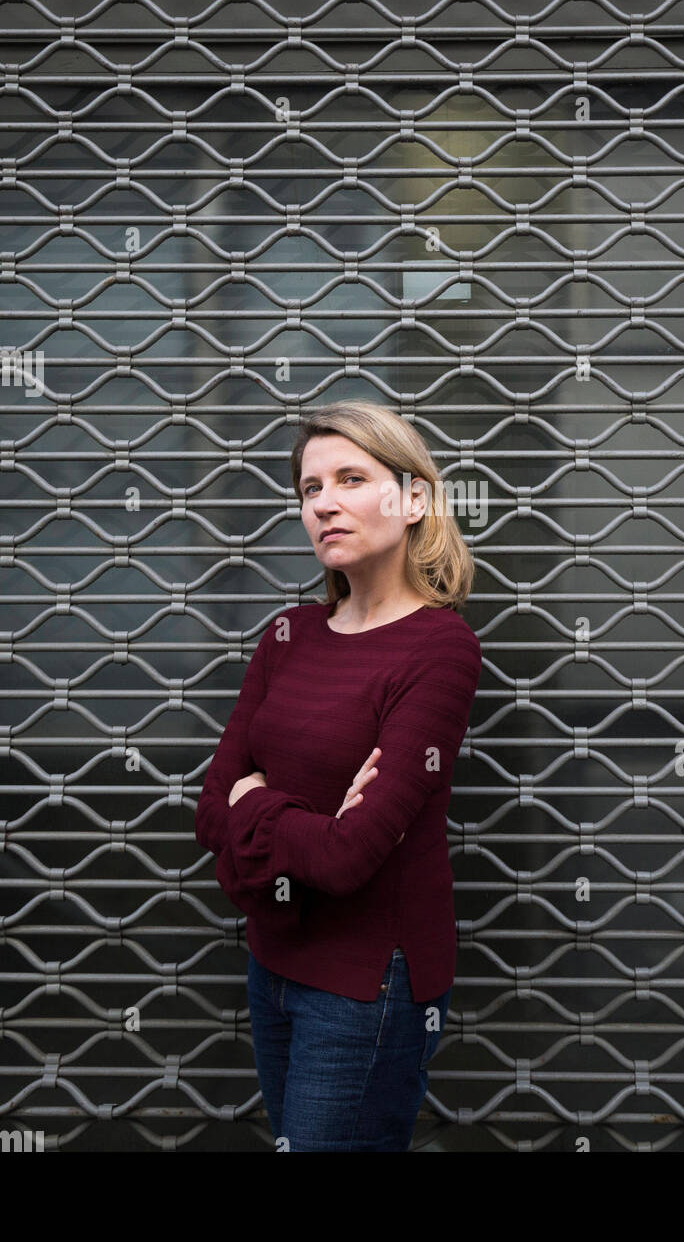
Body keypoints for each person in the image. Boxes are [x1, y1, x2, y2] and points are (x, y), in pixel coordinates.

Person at [194, 399, 481, 1151]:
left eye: (351, 478)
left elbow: (349, 857)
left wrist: (259, 804)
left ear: (413, 498)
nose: (324, 503)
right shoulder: (287, 636)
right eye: (310, 488)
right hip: (272, 959)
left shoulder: (439, 649)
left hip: (368, 985)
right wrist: (305, 825)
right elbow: (209, 814)